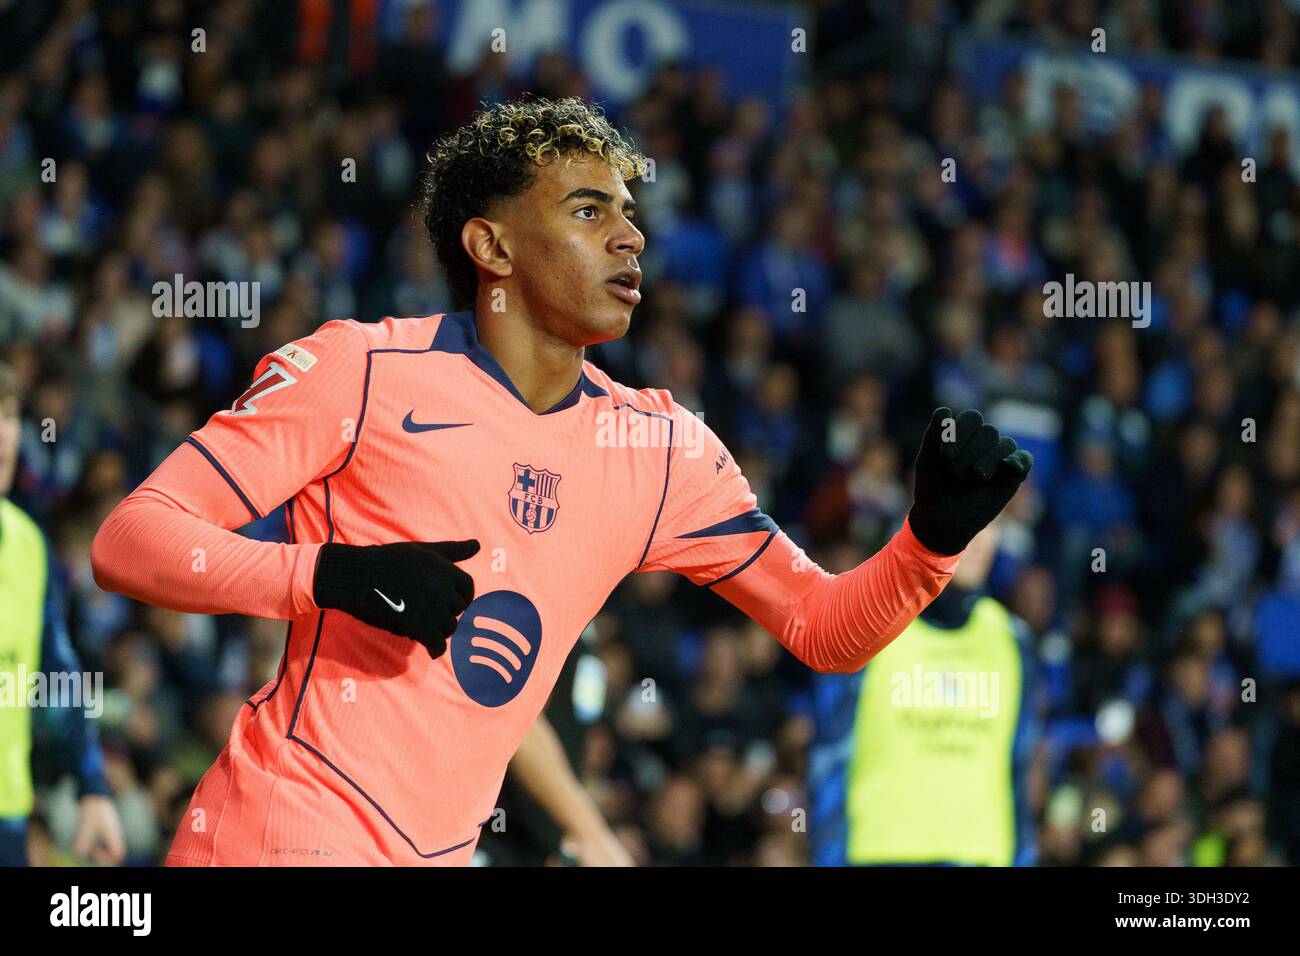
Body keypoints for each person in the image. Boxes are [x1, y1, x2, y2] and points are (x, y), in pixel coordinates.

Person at [90, 97, 1031, 866]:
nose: (630, 237)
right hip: (278, 831)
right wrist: (326, 575)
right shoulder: (361, 371)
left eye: (629, 212)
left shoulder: (660, 450)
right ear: (492, 248)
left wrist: (928, 544)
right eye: (588, 211)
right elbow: (131, 539)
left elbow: (824, 629)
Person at [808, 523, 1042, 866]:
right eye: (968, 513)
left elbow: (1019, 768)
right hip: (880, 856)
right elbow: (830, 759)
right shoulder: (867, 624)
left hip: (983, 857)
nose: (978, 536)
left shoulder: (1014, 641)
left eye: (991, 521)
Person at [0, 360, 124, 867]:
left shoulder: (29, 545)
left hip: (7, 815)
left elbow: (59, 674)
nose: (2, 433)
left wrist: (92, 785)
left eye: (9, 414)